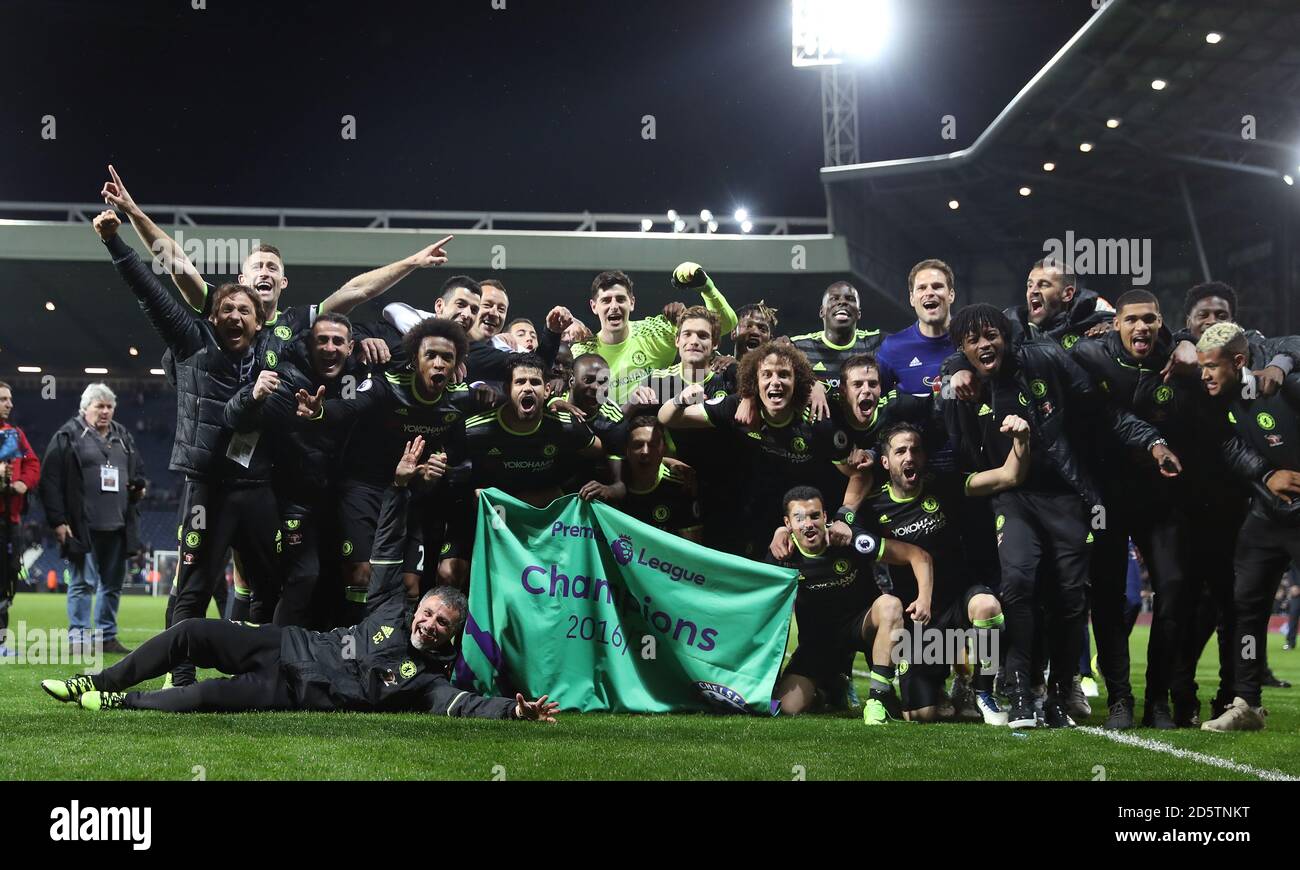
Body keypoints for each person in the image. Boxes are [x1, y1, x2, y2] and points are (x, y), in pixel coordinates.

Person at [41, 438, 559, 721]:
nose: (429, 624)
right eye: (428, 612)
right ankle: (98, 681)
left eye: (442, 623)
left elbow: (463, 706)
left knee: (204, 699)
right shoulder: (389, 608)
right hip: (285, 645)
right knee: (191, 634)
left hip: (292, 691)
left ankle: (119, 702)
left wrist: (511, 713)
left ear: (452, 633)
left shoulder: (427, 683)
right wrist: (397, 489)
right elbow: (384, 546)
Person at [938, 304, 1170, 729]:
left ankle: (1061, 692)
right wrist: (954, 372)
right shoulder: (961, 390)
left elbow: (1102, 411)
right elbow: (960, 456)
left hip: (1066, 493)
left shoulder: (1043, 358)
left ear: (1005, 336)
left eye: (991, 335)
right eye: (972, 341)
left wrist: (1151, 440)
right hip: (1012, 498)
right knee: (1019, 583)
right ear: (961, 349)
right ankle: (1021, 692)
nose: (985, 344)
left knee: (1068, 597)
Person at [95, 208, 281, 687]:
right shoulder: (191, 343)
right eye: (226, 309)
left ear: (260, 322)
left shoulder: (275, 355)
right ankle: (180, 675)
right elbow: (151, 292)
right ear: (212, 316)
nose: (235, 315)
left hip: (258, 486)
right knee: (193, 587)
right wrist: (116, 243)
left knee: (267, 585)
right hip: (207, 489)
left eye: (244, 310)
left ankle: (257, 668)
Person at [1069, 290, 1197, 729]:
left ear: (1160, 323)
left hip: (1160, 498)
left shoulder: (1181, 358)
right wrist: (1154, 443)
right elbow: (1105, 416)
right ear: (1116, 325)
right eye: (1132, 320)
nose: (1141, 328)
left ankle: (1158, 698)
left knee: (1175, 587)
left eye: (1149, 320)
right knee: (1107, 597)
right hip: (1105, 496)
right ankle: (1121, 697)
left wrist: (1187, 343)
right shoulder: (1088, 356)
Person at [1196, 322, 1300, 731]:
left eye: (1211, 367)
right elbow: (1226, 443)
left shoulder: (1286, 386)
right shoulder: (1215, 398)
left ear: (1238, 361)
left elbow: (1292, 342)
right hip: (1265, 515)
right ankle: (1247, 704)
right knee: (1245, 608)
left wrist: (1280, 364)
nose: (1204, 375)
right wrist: (1266, 474)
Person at [223, 314, 359, 627]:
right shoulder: (287, 379)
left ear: (351, 347)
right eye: (321, 340)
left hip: (339, 504)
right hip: (289, 500)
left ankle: (307, 661)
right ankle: (265, 660)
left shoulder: (361, 376)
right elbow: (236, 422)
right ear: (309, 346)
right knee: (293, 579)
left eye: (338, 341)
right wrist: (252, 397)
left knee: (327, 585)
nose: (329, 347)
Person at [659, 340, 850, 556]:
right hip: (749, 515)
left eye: (784, 375)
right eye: (766, 375)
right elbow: (667, 418)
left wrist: (844, 516)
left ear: (797, 381)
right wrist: (680, 400)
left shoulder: (817, 418)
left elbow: (855, 474)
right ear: (754, 382)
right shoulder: (736, 407)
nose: (775, 382)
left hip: (803, 520)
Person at [767, 485, 932, 724]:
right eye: (799, 518)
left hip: (861, 628)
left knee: (890, 605)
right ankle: (829, 688)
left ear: (825, 516)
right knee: (786, 708)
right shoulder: (781, 554)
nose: (808, 524)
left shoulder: (850, 540)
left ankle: (878, 699)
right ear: (788, 522)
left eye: (815, 516)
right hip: (818, 642)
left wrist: (924, 599)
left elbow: (917, 555)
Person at [39, 383, 147, 654]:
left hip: (118, 523)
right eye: (100, 406)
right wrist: (58, 521)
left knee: (111, 585)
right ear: (85, 407)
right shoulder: (67, 435)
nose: (105, 411)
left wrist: (138, 486)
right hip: (81, 524)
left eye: (109, 406)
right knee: (82, 582)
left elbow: (138, 470)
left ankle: (106, 637)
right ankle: (78, 638)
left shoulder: (123, 436)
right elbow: (49, 482)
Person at [572, 263, 737, 404]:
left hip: (653, 434)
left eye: (620, 299)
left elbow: (725, 325)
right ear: (594, 306)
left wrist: (707, 288)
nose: (614, 306)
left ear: (632, 303)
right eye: (606, 300)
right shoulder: (581, 351)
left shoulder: (656, 331)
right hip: (605, 435)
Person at [609, 417, 702, 542]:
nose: (645, 452)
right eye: (638, 445)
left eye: (652, 445)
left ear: (663, 449)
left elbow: (693, 549)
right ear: (627, 450)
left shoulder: (681, 486)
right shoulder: (609, 486)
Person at [0, 382, 40, 657]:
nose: (9, 404)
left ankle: (0, 643)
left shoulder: (14, 434)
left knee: (8, 578)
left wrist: (24, 483)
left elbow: (33, 464)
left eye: (10, 399)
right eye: (3, 399)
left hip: (10, 521)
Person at [877, 259, 956, 396]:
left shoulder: (971, 341)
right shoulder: (893, 348)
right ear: (912, 299)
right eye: (922, 287)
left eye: (937, 286)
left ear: (951, 295)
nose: (929, 292)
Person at [790, 281, 888, 389]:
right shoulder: (797, 346)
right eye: (834, 298)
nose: (842, 302)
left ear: (859, 313)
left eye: (850, 299)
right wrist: (810, 385)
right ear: (822, 311)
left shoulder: (877, 342)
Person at [1007, 259, 1114, 348]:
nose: (1033, 291)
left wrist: (1114, 331)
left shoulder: (1097, 309)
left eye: (1044, 285)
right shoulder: (1014, 323)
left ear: (1067, 294)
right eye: (1030, 285)